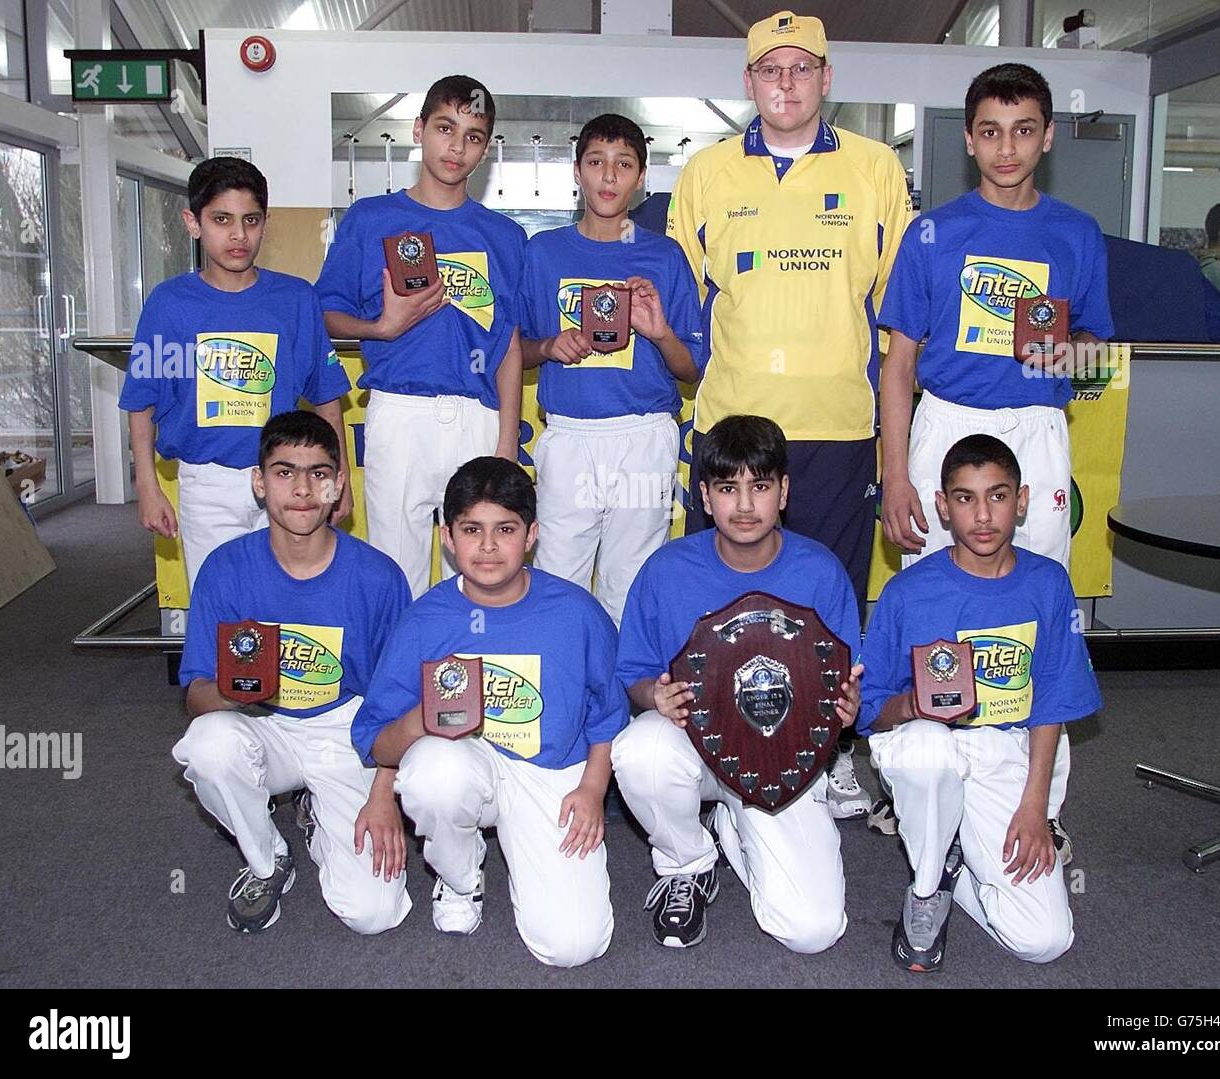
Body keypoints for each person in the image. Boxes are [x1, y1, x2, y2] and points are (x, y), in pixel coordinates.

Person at [667, 9, 912, 822]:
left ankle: (831, 753)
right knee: (717, 602)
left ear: (826, 77)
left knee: (828, 602)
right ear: (749, 82)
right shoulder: (705, 173)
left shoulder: (877, 168)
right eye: (770, 70)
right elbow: (685, 309)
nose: (786, 83)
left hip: (837, 428)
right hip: (731, 429)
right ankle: (711, 748)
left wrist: (894, 452)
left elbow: (897, 318)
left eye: (801, 68)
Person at [876, 62, 1115, 859]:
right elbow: (898, 365)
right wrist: (896, 472)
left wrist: (1069, 348)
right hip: (945, 424)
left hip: (1035, 432)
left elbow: (1097, 354)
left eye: (1022, 131)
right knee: (931, 600)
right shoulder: (931, 233)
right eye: (989, 132)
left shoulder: (1077, 233)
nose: (1006, 148)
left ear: (1046, 139)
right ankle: (923, 785)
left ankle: (1038, 800)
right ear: (969, 142)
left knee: (1039, 605)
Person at [351, 457, 626, 968]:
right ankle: (460, 878)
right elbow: (377, 740)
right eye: (471, 529)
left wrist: (592, 788)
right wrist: (418, 726)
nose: (488, 546)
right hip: (462, 765)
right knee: (434, 770)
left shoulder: (576, 612)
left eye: (506, 529)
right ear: (448, 538)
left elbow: (609, 715)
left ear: (532, 535)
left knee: (573, 945)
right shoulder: (424, 620)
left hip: (549, 774)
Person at [612, 415, 862, 952]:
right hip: (694, 747)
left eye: (760, 487)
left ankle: (735, 829)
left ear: (784, 492)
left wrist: (848, 708)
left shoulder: (820, 572)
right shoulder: (666, 570)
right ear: (704, 496)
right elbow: (633, 672)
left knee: (812, 932)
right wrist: (653, 696)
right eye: (728, 488)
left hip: (784, 758)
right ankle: (687, 863)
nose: (745, 505)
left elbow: (845, 681)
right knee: (641, 750)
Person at [859, 434, 1101, 972]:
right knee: (927, 746)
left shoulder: (1048, 582)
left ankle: (958, 864)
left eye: (998, 495)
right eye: (965, 498)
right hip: (928, 751)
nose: (983, 515)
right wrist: (913, 707)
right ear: (943, 507)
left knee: (1044, 940)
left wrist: (1036, 808)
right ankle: (926, 886)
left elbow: (1053, 702)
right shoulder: (908, 591)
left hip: (1006, 755)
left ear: (1022, 500)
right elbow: (868, 709)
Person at [173, 411, 412, 935]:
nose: (302, 490)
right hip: (262, 723)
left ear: (339, 484)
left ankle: (322, 817)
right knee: (208, 745)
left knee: (372, 914)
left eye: (318, 473)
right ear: (259, 482)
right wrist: (236, 695)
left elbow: (397, 705)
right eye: (284, 472)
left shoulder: (379, 577)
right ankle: (267, 859)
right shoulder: (225, 568)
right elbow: (195, 694)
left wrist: (384, 794)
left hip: (347, 729)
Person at [315, 75, 526, 596]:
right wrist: (380, 328)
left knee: (479, 578)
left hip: (478, 418)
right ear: (419, 129)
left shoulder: (505, 236)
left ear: (485, 149)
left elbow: (509, 343)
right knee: (396, 574)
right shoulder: (371, 219)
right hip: (399, 413)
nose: (456, 147)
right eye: (445, 128)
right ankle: (401, 656)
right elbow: (324, 314)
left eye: (473, 136)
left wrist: (506, 441)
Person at [120, 157, 352, 590]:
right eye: (221, 219)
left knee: (289, 600)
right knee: (222, 608)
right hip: (207, 484)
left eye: (251, 220)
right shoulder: (170, 304)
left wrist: (339, 481)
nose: (239, 235)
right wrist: (147, 487)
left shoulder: (295, 299)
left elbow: (326, 399)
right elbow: (141, 401)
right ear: (193, 223)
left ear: (266, 223)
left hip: (289, 481)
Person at [519, 113, 704, 626]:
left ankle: (623, 681)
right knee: (558, 583)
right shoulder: (544, 252)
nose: (608, 176)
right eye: (596, 162)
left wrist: (660, 331)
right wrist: (549, 346)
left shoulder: (665, 256)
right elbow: (515, 349)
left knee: (630, 586)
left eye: (623, 164)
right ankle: (565, 676)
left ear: (640, 177)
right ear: (577, 170)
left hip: (643, 436)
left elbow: (691, 369)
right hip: (569, 437)